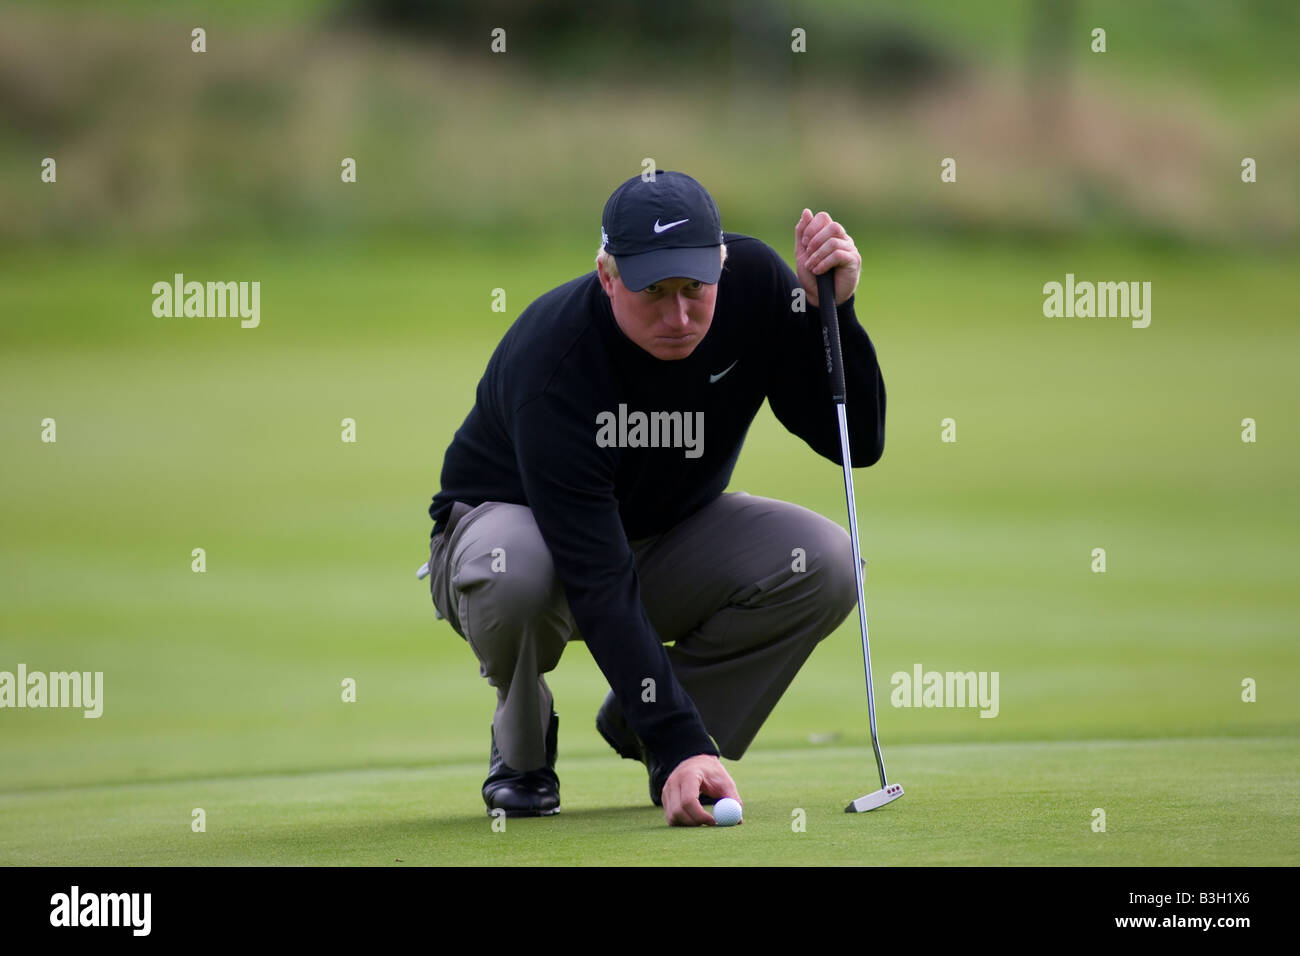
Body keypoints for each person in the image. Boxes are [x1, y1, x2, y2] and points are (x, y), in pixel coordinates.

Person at [425, 170, 886, 826]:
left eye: (695, 289)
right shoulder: (556, 361)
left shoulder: (756, 286)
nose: (679, 316)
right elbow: (595, 572)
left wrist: (831, 313)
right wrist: (683, 743)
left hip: (664, 535)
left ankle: (649, 728)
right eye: (654, 292)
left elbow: (857, 442)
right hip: (522, 543)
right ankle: (523, 747)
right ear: (607, 276)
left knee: (826, 562)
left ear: (721, 266)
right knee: (514, 568)